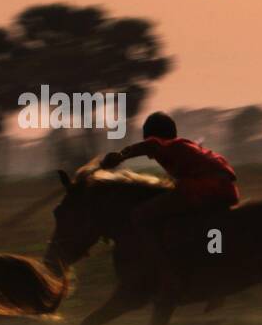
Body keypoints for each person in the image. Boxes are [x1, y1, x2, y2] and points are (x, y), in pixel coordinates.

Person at [99, 111, 239, 297]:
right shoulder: (183, 147)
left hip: (204, 188)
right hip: (225, 190)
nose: (150, 155)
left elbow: (152, 144)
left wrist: (120, 156)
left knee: (139, 215)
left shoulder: (165, 145)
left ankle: (165, 272)